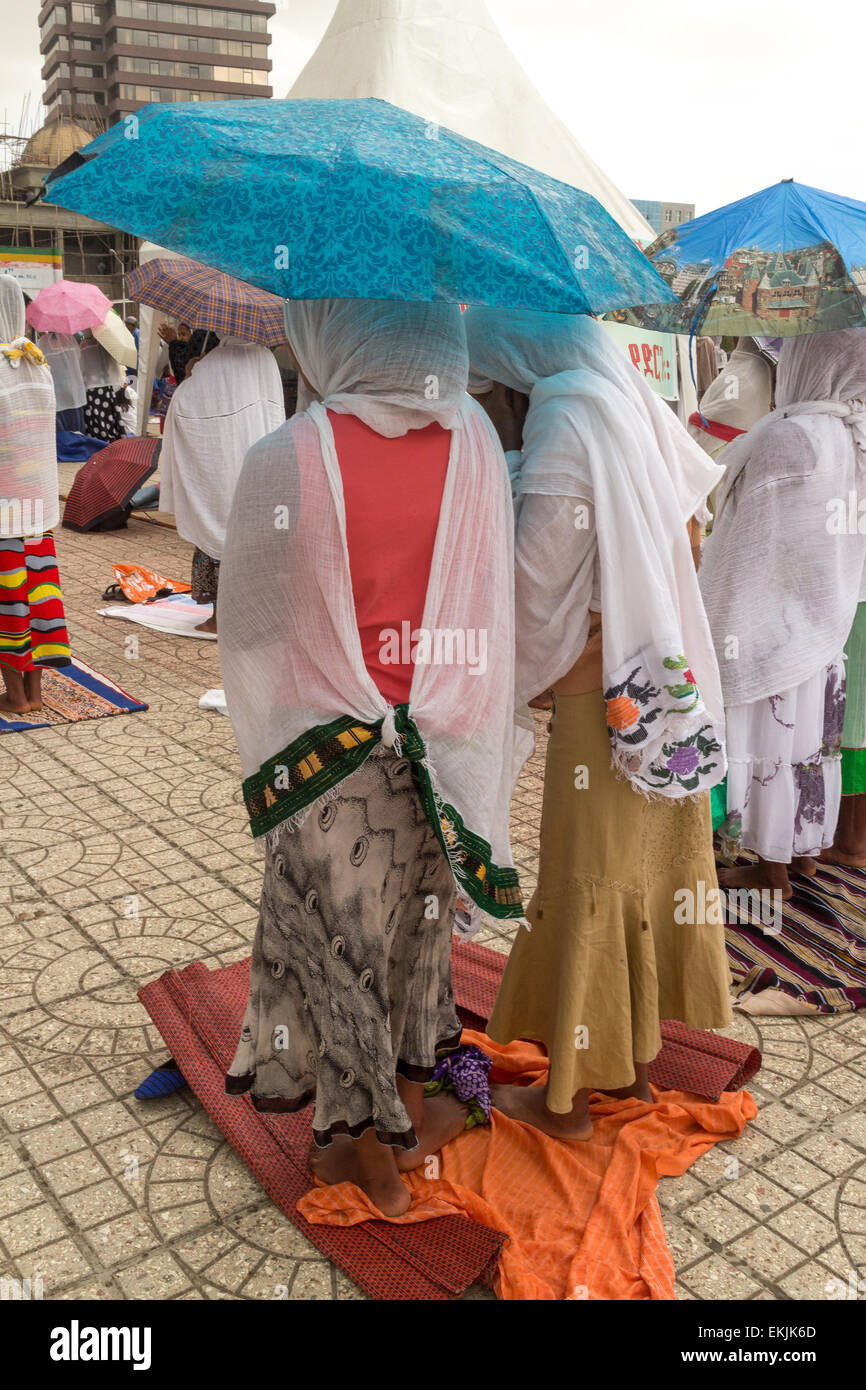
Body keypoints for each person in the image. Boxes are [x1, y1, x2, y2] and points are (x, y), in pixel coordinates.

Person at [218, 298, 526, 1214]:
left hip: (328, 759)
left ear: (332, 327)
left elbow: (254, 625)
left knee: (335, 946)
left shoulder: (289, 453)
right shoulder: (473, 438)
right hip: (437, 758)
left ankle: (362, 1154)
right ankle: (406, 1110)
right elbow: (486, 603)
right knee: (410, 943)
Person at [465, 307, 732, 1140]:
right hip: (666, 684)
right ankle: (636, 1070)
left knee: (588, 876)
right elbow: (686, 531)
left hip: (601, 692)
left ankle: (572, 1101)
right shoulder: (631, 401)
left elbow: (533, 581)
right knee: (652, 867)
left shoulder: (563, 417)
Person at [700, 328, 866, 897]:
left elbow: (745, 547)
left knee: (768, 750)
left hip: (770, 631)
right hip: (821, 629)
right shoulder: (852, 432)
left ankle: (770, 873)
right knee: (805, 753)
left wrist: (712, 622)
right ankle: (800, 859)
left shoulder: (794, 435)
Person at [159, 335, 284, 633]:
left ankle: (219, 619)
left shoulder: (215, 361)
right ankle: (256, 614)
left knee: (219, 532)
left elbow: (185, 408)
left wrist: (191, 374)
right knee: (254, 537)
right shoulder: (267, 358)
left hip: (223, 471)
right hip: (262, 466)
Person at [0, 276, 71, 712]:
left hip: (3, 514)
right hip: (36, 510)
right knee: (37, 600)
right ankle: (36, 693)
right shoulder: (36, 364)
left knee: (7, 605)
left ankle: (15, 696)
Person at [79, 330, 126, 442]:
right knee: (108, 412)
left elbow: (81, 368)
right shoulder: (104, 344)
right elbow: (110, 365)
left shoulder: (83, 346)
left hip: (90, 387)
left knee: (95, 414)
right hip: (105, 386)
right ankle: (111, 434)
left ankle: (98, 436)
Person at [39, 329, 87, 434]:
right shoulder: (70, 339)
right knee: (77, 432)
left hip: (56, 394)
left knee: (61, 435)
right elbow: (79, 359)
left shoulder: (42, 342)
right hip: (74, 392)